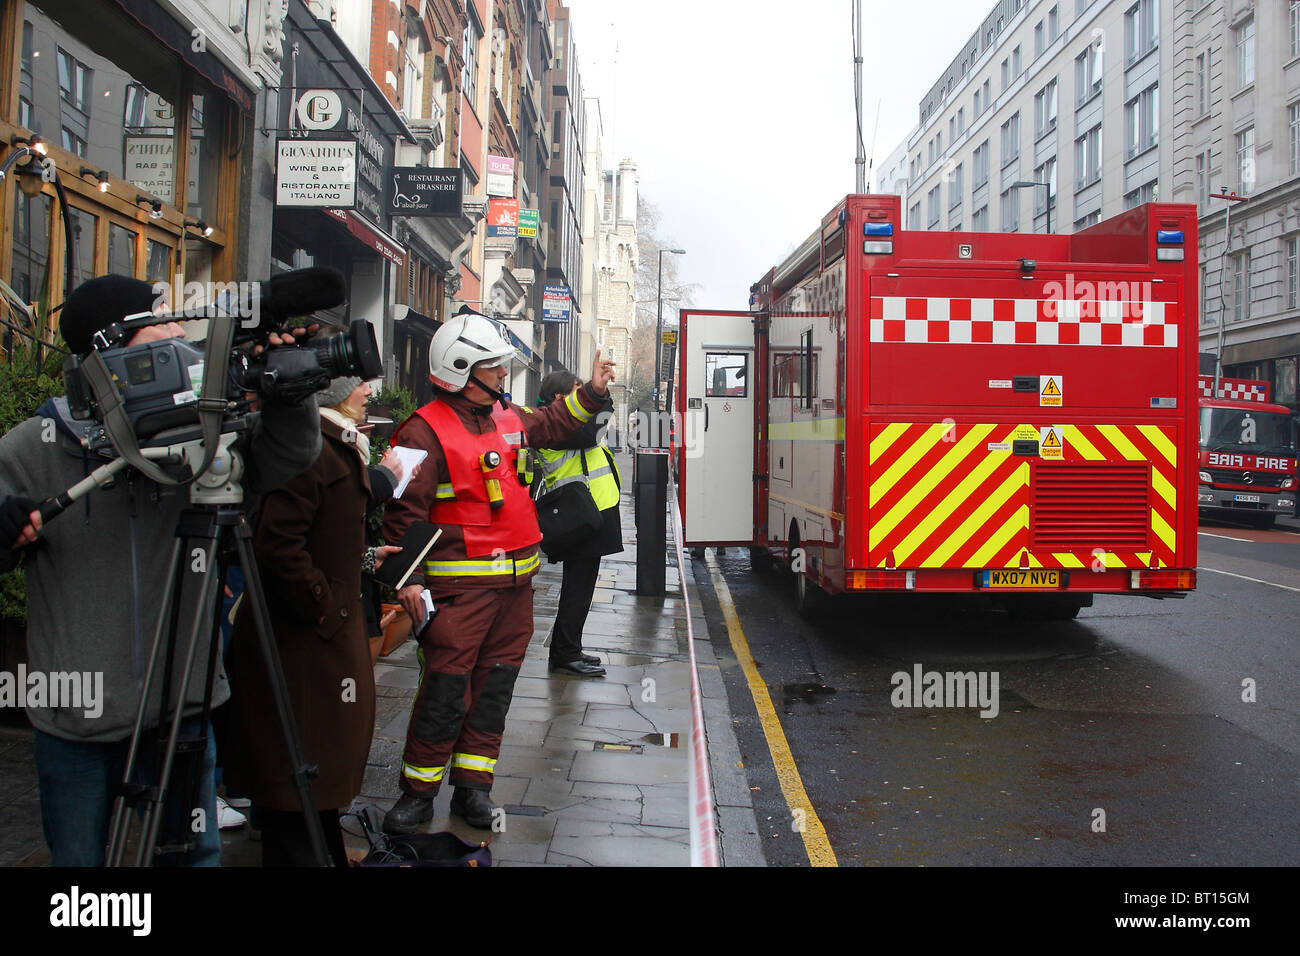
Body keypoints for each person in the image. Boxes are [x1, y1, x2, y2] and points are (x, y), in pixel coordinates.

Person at [0, 274, 322, 866]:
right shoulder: (31, 447)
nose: (179, 334)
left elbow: (289, 457)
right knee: (79, 873)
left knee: (192, 858)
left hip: (181, 710)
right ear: (108, 354)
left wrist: (289, 393)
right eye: (158, 325)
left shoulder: (198, 432)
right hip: (75, 720)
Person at [380, 308, 616, 833]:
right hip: (460, 594)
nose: (503, 374)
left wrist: (594, 392)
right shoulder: (420, 432)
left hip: (515, 590)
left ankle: (473, 790)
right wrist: (410, 583)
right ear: (462, 368)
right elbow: (402, 517)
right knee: (445, 692)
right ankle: (417, 794)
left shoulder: (506, 419)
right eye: (494, 366)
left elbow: (553, 423)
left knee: (493, 693)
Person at [222, 374, 401, 866]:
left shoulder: (331, 444)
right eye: (360, 382)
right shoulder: (307, 449)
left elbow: (319, 537)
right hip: (304, 650)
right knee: (296, 785)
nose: (369, 390)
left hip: (320, 642)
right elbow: (278, 544)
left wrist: (360, 561)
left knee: (315, 786)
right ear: (330, 392)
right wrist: (326, 606)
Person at [535, 369, 623, 677]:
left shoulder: (562, 423)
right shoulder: (554, 426)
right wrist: (604, 400)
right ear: (560, 399)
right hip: (578, 515)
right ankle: (565, 654)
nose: (583, 396)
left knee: (581, 588)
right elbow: (591, 434)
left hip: (590, 511)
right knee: (577, 589)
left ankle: (568, 648)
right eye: (578, 390)